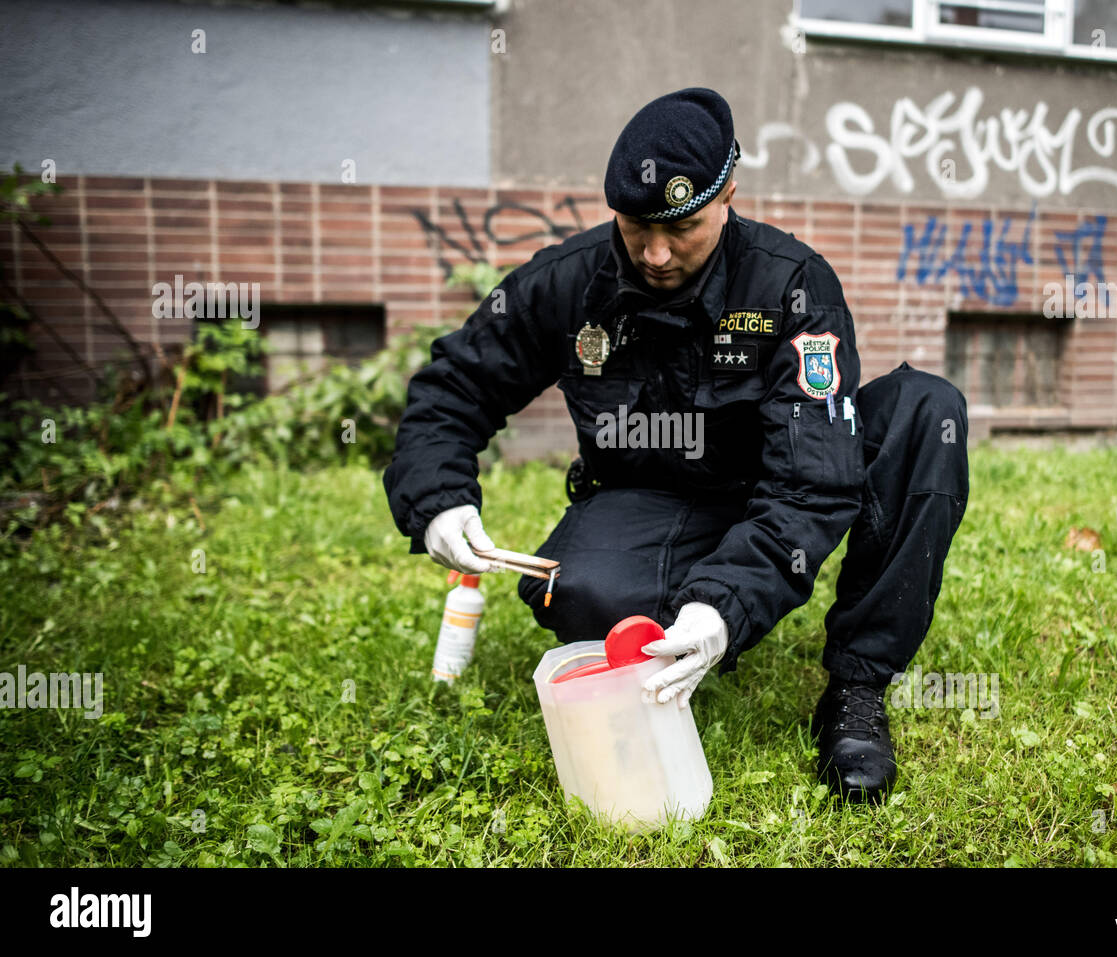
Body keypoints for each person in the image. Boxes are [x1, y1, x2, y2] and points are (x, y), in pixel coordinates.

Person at [383, 88, 969, 804]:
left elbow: (812, 482)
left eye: (683, 228)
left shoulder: (790, 284)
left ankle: (857, 687)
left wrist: (724, 605)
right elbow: (454, 386)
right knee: (584, 595)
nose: (656, 254)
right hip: (653, 496)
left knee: (925, 410)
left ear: (728, 195)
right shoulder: (569, 280)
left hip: (769, 488)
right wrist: (438, 499)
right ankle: (680, 613)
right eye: (636, 227)